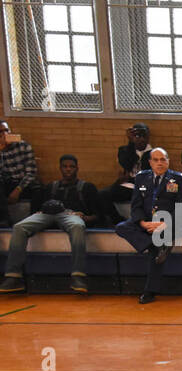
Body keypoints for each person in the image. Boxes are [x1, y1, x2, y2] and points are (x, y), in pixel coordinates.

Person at [1, 154, 98, 294]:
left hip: (71, 214)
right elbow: (38, 208)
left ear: (77, 168)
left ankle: (78, 276)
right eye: (65, 166)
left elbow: (97, 215)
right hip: (46, 213)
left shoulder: (87, 187)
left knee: (77, 226)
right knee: (19, 227)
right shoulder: (50, 187)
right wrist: (41, 211)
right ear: (60, 168)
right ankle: (13, 277)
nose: (68, 170)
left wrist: (85, 217)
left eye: (71, 167)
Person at [114, 148, 182, 304]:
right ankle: (152, 245)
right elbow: (136, 204)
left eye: (163, 159)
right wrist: (142, 222)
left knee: (155, 254)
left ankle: (149, 291)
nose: (159, 163)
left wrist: (164, 224)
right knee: (121, 227)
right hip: (147, 220)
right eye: (155, 160)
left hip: (169, 222)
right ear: (150, 162)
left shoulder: (178, 179)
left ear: (168, 161)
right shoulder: (142, 178)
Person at [97, 123, 153, 225]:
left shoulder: (154, 153)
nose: (140, 139)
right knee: (101, 195)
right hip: (127, 186)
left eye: (143, 135)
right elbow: (127, 164)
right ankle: (117, 220)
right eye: (136, 136)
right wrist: (131, 143)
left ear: (148, 137)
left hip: (144, 188)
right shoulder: (124, 150)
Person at [0, 121, 38, 228]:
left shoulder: (23, 146)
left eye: (7, 130)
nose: (5, 134)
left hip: (24, 184)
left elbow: (31, 173)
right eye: (1, 132)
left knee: (38, 188)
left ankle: (34, 222)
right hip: (8, 183)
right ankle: (4, 220)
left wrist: (18, 190)